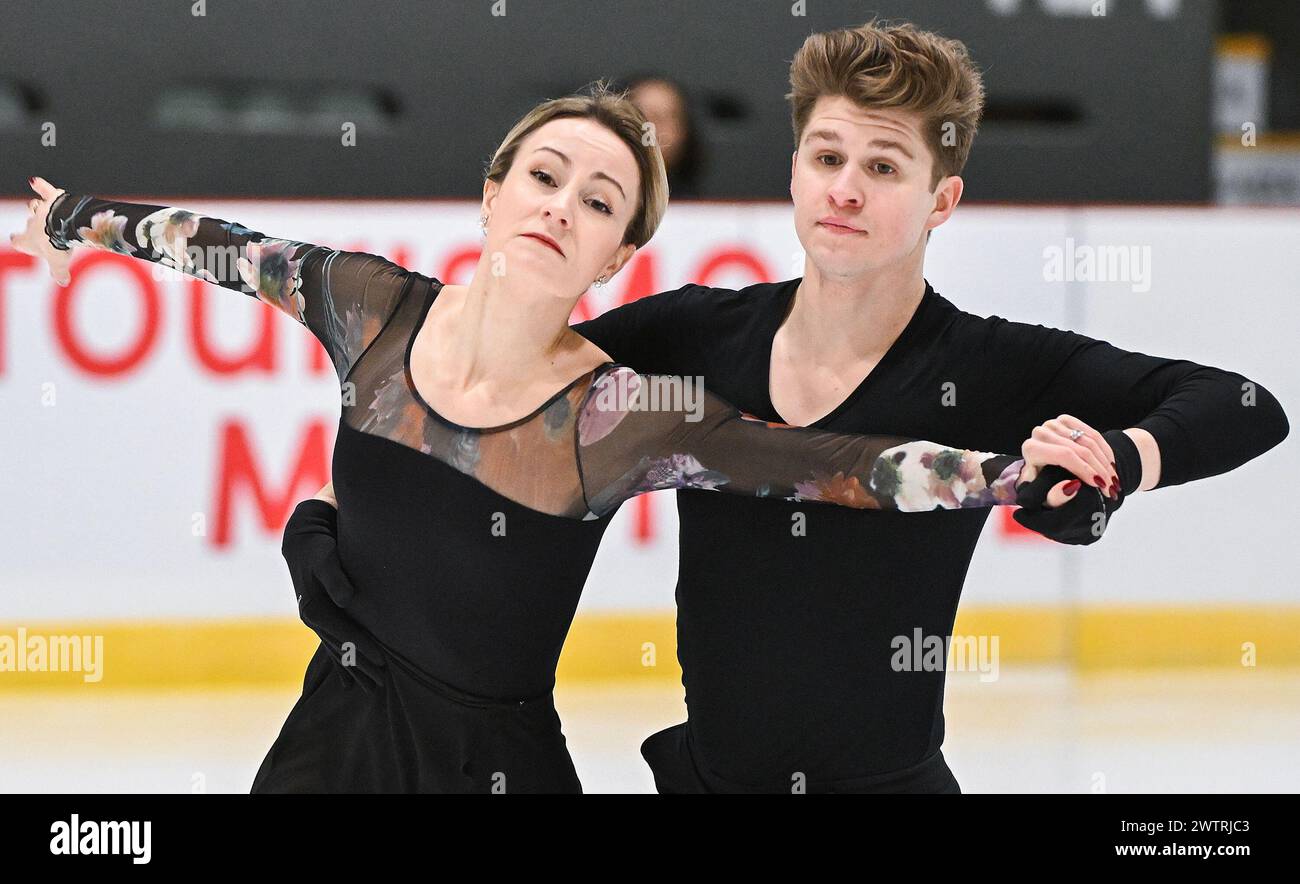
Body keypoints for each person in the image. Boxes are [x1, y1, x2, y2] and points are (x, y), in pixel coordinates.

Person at [12, 82, 1089, 793]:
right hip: (336, 742)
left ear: (617, 254)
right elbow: (218, 248)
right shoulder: (369, 306)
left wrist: (1005, 476)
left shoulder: (621, 413)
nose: (560, 206)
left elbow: (832, 467)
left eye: (598, 199)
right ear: (492, 194)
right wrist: (75, 221)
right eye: (542, 175)